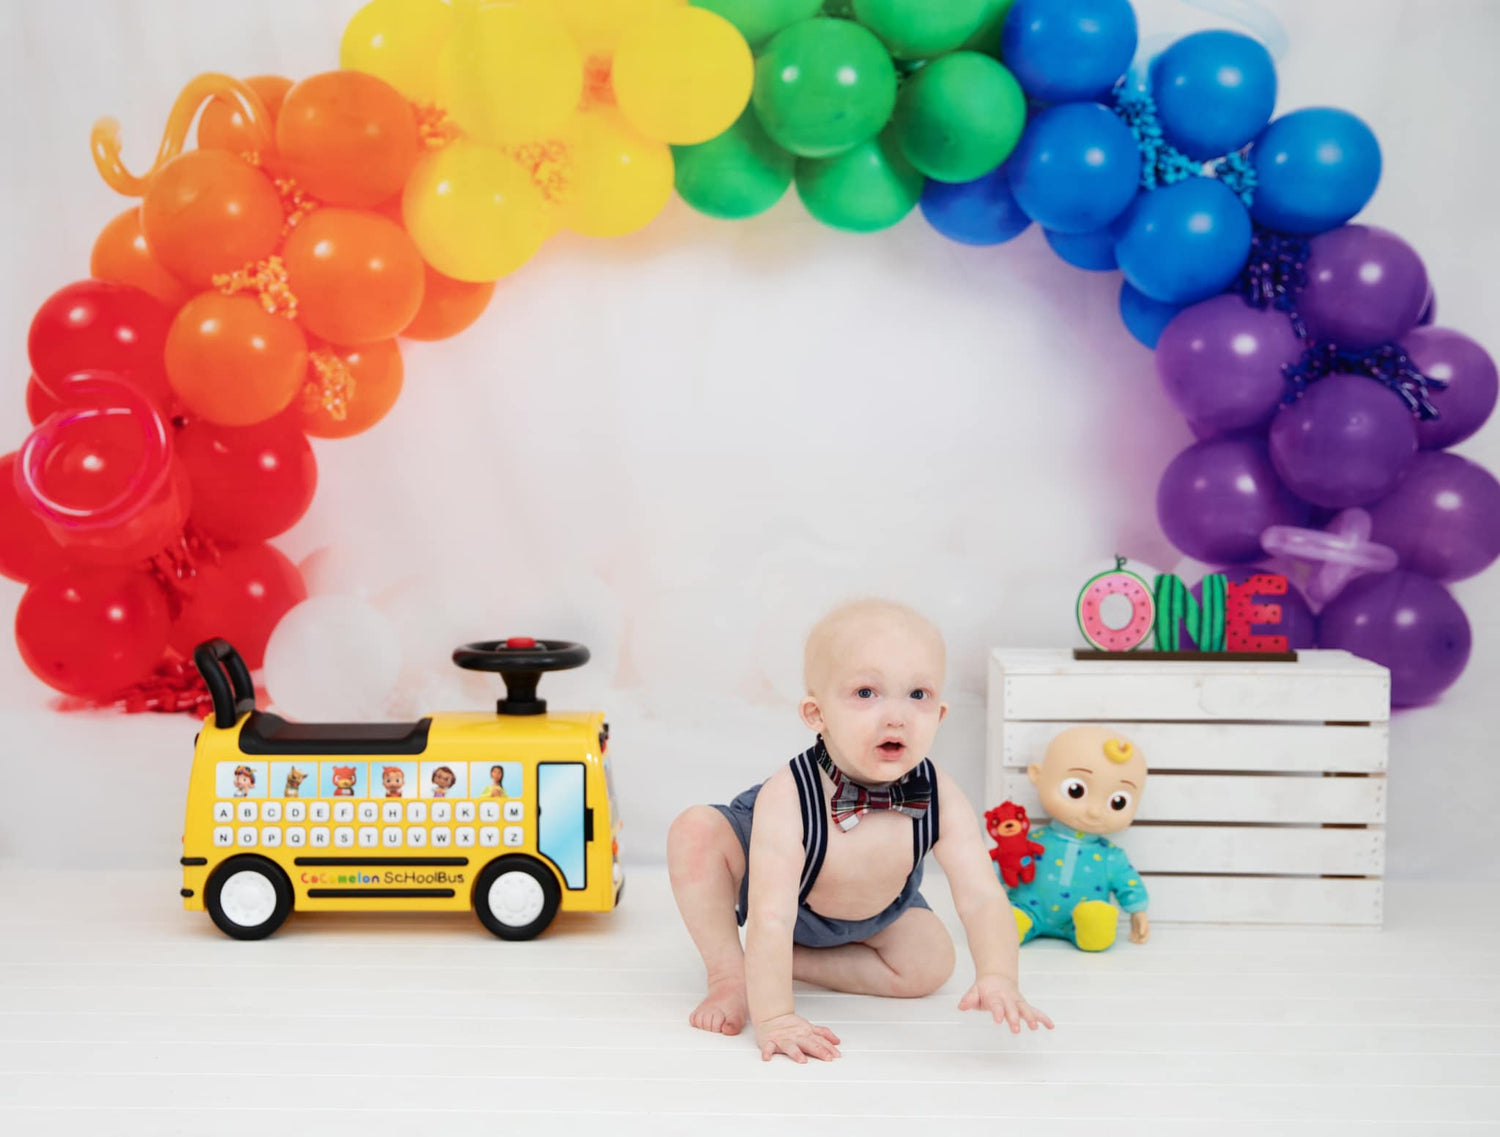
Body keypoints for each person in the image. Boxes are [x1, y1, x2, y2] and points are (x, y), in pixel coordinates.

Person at [667, 599, 1052, 1063]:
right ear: (816, 714)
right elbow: (771, 915)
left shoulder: (940, 794)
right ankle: (730, 975)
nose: (897, 716)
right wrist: (776, 1018)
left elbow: (983, 897)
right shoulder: (788, 795)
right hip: (779, 899)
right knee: (695, 832)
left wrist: (998, 975)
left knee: (932, 965)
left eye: (918, 695)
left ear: (940, 715)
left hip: (874, 915)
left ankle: (790, 964)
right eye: (867, 693)